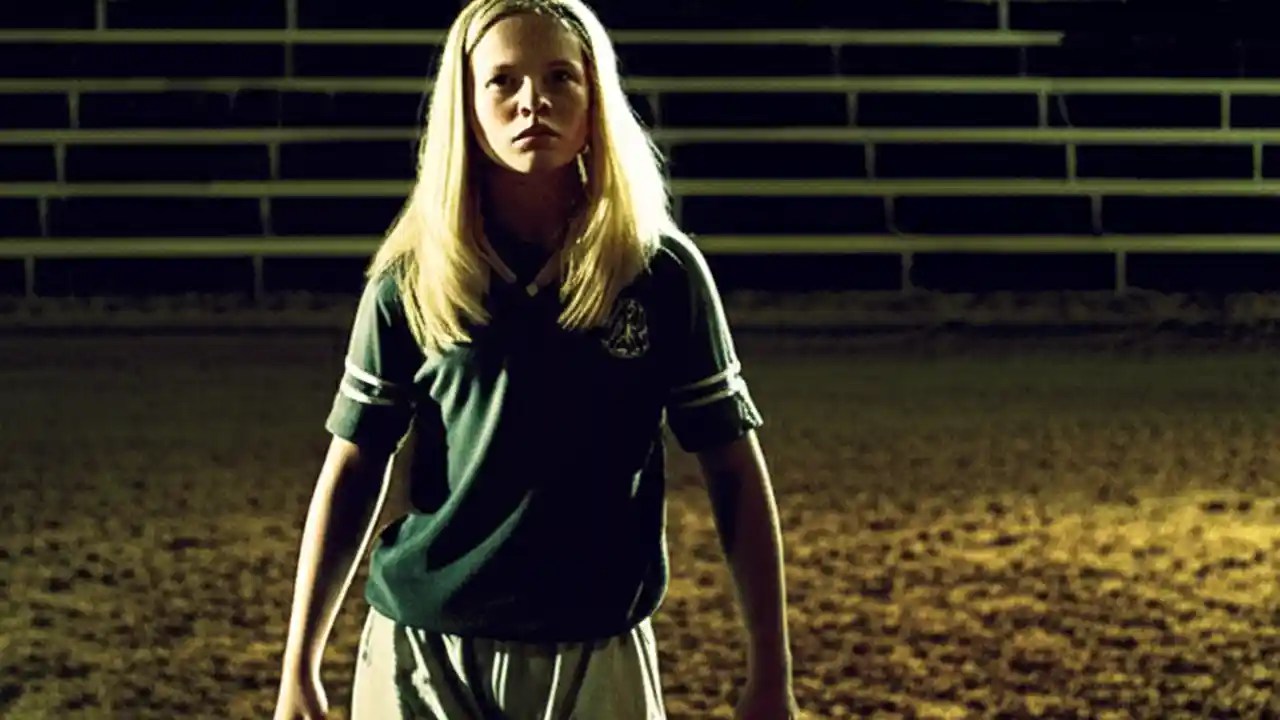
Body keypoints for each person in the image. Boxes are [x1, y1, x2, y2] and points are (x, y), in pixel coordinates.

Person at [272, 0, 799, 717]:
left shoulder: (661, 271)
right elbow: (355, 464)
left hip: (593, 644)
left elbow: (733, 470)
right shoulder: (413, 278)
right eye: (503, 81)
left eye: (560, 77)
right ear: (466, 103)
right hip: (422, 650)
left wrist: (771, 670)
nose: (533, 103)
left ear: (595, 99)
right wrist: (298, 661)